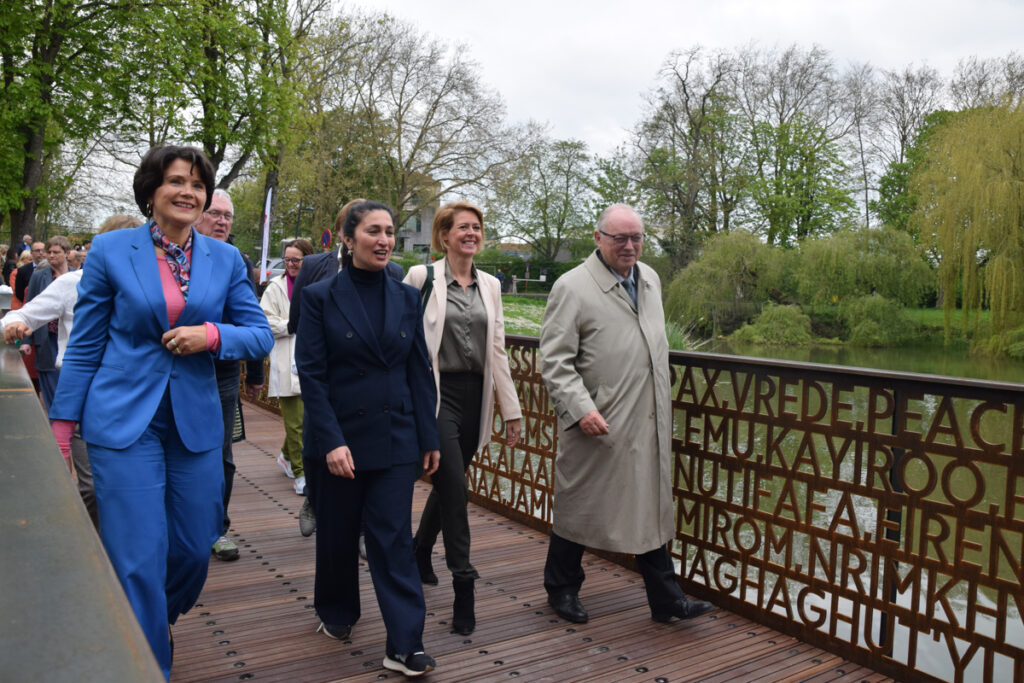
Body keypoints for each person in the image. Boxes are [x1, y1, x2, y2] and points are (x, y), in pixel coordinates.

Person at [47, 145, 274, 679]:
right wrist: (61, 429)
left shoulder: (225, 259)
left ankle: (149, 619)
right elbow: (85, 344)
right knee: (137, 555)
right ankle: (150, 663)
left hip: (194, 422)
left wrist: (211, 335)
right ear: (151, 190)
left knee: (193, 549)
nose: (187, 192)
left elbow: (259, 334)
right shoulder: (111, 249)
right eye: (176, 181)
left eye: (197, 184)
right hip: (123, 421)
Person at [538, 203, 714, 626]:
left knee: (648, 505)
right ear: (598, 238)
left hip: (646, 416)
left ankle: (666, 599)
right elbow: (555, 361)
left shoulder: (649, 279)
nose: (629, 246)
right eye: (620, 238)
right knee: (580, 503)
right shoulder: (572, 287)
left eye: (636, 238)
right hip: (598, 419)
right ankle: (561, 587)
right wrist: (582, 409)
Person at [296, 200, 441, 678]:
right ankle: (337, 611)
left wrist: (428, 435)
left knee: (392, 538)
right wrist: (331, 440)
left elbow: (418, 369)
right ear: (347, 238)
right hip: (338, 438)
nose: (384, 240)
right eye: (373, 231)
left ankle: (405, 643)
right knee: (337, 535)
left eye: (390, 232)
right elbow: (312, 375)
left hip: (395, 436)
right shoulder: (319, 297)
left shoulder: (406, 297)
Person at [403, 201, 522, 635]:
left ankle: (420, 549)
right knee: (456, 489)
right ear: (444, 236)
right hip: (437, 396)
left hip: (476, 398)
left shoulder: (491, 284)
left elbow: (497, 349)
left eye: (477, 227)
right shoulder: (421, 278)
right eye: (462, 227)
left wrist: (511, 410)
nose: (471, 233)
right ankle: (464, 582)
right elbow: (404, 342)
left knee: (449, 484)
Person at [2, 215, 143, 527]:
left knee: (125, 485)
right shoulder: (74, 283)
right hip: (80, 394)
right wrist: (15, 324)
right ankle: (86, 541)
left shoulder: (149, 289)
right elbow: (23, 313)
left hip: (129, 397)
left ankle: (118, 542)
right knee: (92, 484)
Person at [289, 198, 405, 536]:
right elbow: (297, 318)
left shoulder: (393, 272)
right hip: (326, 371)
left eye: (387, 231)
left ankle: (365, 526)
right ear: (344, 233)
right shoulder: (315, 265)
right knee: (316, 432)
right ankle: (314, 497)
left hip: (368, 382)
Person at [193, 187, 265, 562]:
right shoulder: (176, 257)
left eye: (227, 216)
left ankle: (217, 527)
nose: (221, 221)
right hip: (173, 369)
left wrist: (254, 374)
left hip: (220, 372)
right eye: (215, 213)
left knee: (221, 453)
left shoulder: (238, 260)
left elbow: (251, 322)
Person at [260, 237, 315, 495]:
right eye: (287, 260)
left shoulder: (318, 284)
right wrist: (291, 325)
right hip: (286, 357)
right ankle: (302, 474)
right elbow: (264, 320)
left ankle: (286, 455)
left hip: (313, 360)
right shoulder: (275, 287)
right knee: (295, 423)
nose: (291, 264)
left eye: (296, 260)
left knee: (307, 419)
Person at [23, 235, 73, 412]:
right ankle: (56, 418)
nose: (51, 255)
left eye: (56, 252)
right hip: (47, 336)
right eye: (49, 252)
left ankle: (66, 417)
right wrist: (26, 341)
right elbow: (30, 306)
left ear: (66, 253)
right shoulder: (39, 276)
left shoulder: (77, 276)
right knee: (50, 379)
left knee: (67, 378)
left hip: (69, 336)